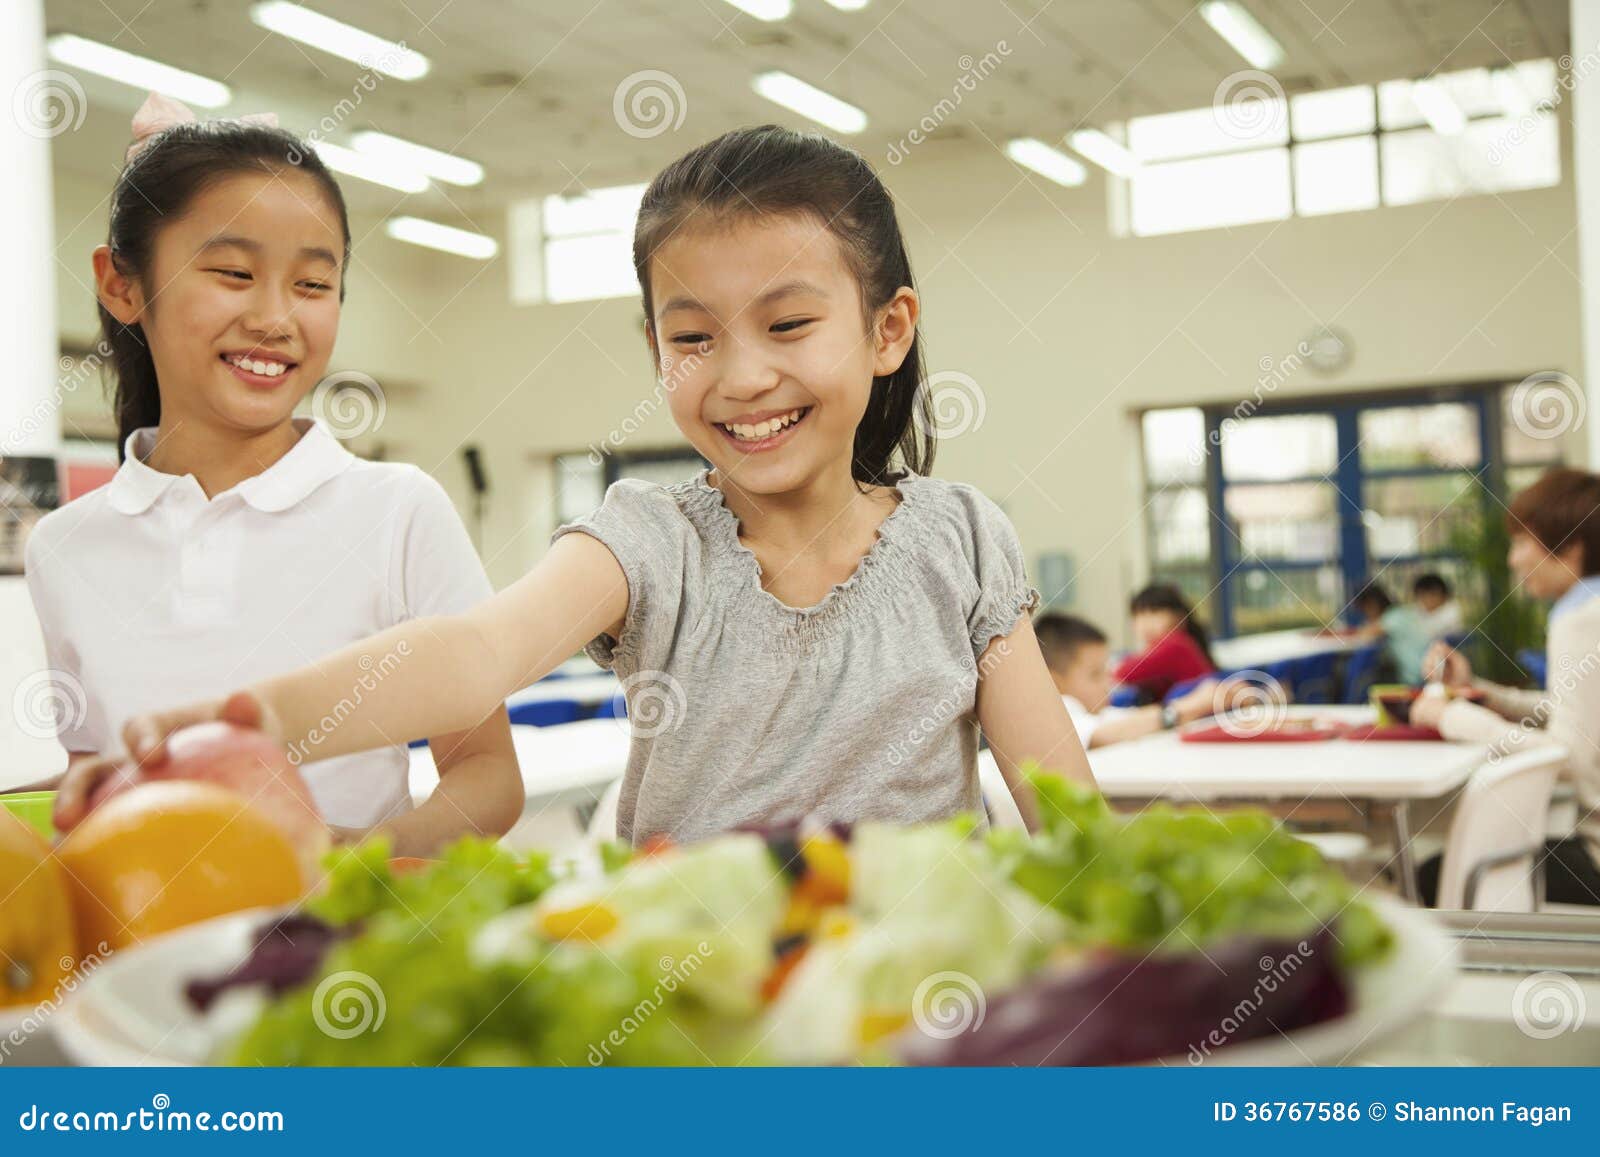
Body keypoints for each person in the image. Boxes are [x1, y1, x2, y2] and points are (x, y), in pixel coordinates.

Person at [54, 125, 1095, 846]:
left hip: (924, 1020)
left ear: (886, 330)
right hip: (688, 1014)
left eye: (787, 325)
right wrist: (242, 719)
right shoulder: (646, 539)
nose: (741, 376)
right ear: (655, 348)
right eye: (692, 337)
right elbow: (472, 654)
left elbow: (1065, 816)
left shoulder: (959, 538)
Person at [25, 95, 521, 855]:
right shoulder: (63, 545)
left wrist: (363, 859)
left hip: (336, 956)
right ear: (122, 284)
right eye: (233, 272)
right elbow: (96, 780)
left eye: (313, 285)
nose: (275, 316)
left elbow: (486, 772)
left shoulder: (397, 511)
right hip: (143, 951)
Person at [1413, 468, 1600, 906]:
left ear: (1569, 549)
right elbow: (1580, 713)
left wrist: (1453, 717)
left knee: (1433, 876)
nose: (1513, 560)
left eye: (1521, 543)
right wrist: (1484, 693)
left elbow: (1569, 755)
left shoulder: (1581, 619)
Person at [1035, 613, 1218, 747]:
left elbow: (1134, 719)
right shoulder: (1059, 712)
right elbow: (1099, 735)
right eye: (1095, 674)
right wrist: (1192, 705)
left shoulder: (1098, 714)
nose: (1107, 685)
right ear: (1054, 683)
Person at [1112, 583, 1217, 702]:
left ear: (1178, 617)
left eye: (1154, 613)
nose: (1144, 623)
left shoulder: (1176, 645)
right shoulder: (1181, 643)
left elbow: (1123, 673)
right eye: (1138, 615)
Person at [1361, 572, 1462, 684]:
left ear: (1372, 605)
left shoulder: (1394, 616)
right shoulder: (1409, 614)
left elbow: (1367, 633)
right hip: (1429, 673)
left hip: (1418, 677)